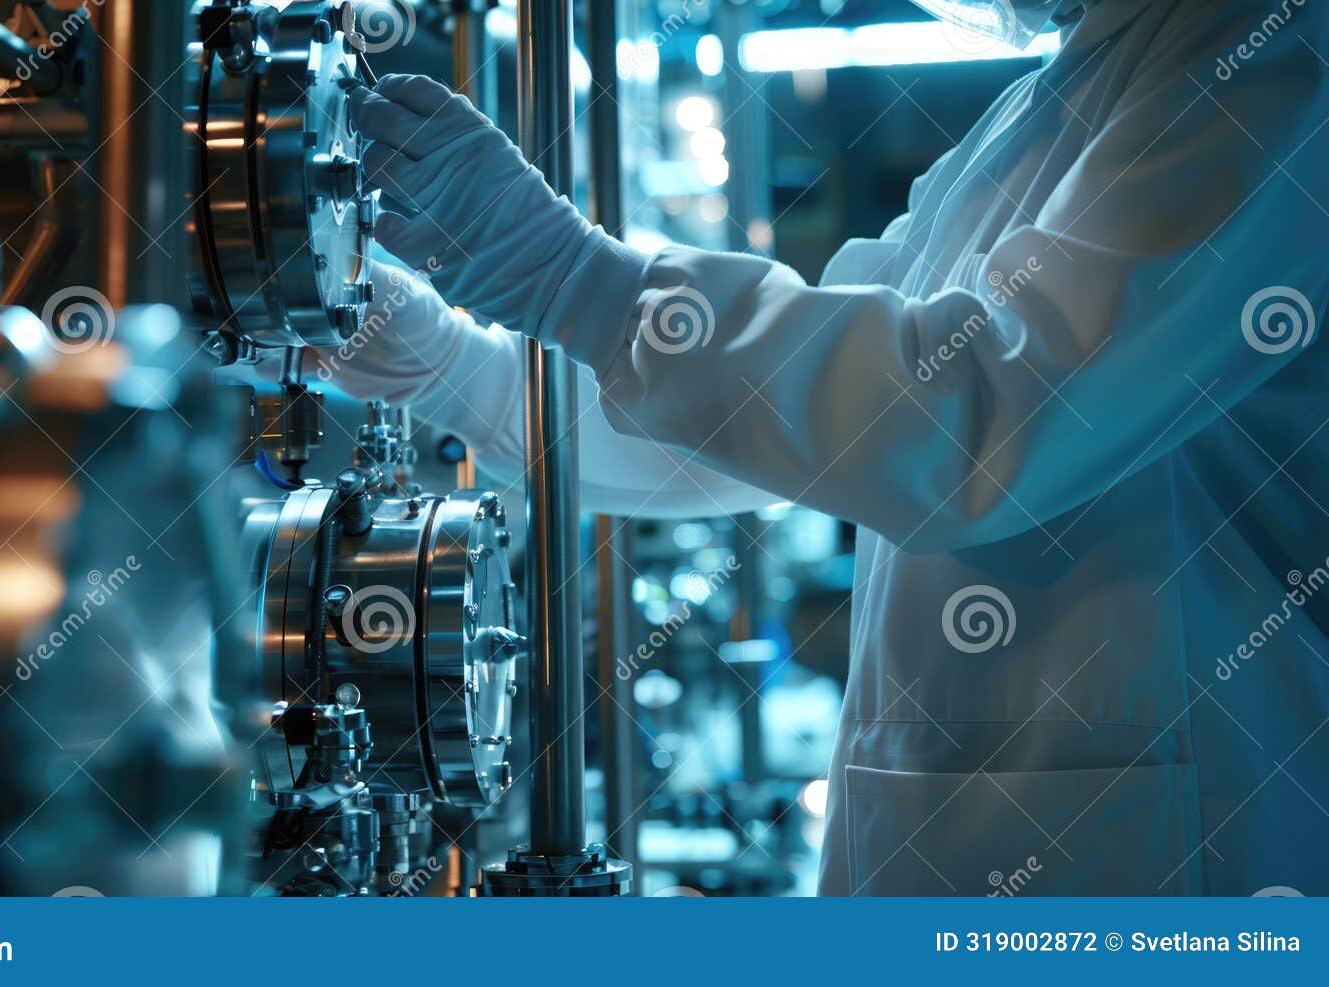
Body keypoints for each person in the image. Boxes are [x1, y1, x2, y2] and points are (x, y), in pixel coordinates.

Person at [286, 0, 1329, 895]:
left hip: (1177, 869)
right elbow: (786, 438)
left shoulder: (1275, 51)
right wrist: (456, 369)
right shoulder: (1047, 105)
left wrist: (580, 283)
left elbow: (986, 419)